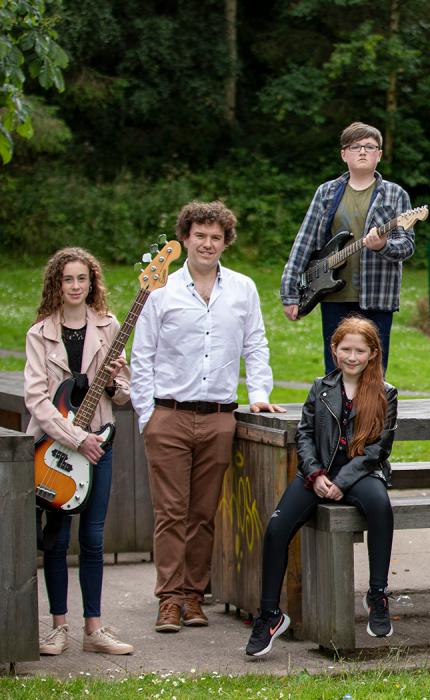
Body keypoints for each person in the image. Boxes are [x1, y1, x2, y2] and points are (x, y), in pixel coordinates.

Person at [131, 201, 286, 633]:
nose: (207, 243)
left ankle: (195, 597)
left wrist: (258, 395)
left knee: (202, 513)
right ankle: (169, 599)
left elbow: (256, 345)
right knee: (170, 513)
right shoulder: (160, 289)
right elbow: (141, 356)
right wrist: (147, 416)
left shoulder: (243, 289)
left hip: (220, 416)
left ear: (225, 242)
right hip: (169, 416)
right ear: (185, 239)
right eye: (200, 235)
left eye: (216, 237)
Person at [246, 317, 399, 656]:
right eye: (346, 349)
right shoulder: (320, 387)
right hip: (317, 475)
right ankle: (269, 615)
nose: (352, 357)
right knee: (276, 528)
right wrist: (315, 475)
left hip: (361, 474)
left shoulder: (386, 393)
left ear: (373, 353)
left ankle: (377, 594)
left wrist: (341, 484)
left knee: (380, 506)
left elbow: (378, 450)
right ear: (334, 350)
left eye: (360, 351)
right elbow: (303, 435)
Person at [25, 248, 134, 656]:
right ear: (57, 283)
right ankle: (57, 628)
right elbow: (37, 400)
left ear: (92, 283)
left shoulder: (109, 327)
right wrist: (75, 437)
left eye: (82, 279)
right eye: (68, 279)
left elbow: (124, 393)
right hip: (55, 447)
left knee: (92, 536)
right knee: (55, 539)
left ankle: (94, 628)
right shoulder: (40, 334)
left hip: (99, 442)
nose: (75, 286)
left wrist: (112, 382)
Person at [280, 121, 415, 373]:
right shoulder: (327, 193)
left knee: (373, 370)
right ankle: (334, 413)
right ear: (344, 154)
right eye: (355, 146)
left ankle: (372, 413)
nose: (362, 151)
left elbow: (406, 246)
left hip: (377, 296)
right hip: (332, 294)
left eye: (369, 146)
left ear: (379, 155)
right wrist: (289, 292)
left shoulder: (396, 195)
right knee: (335, 369)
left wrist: (383, 245)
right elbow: (304, 241)